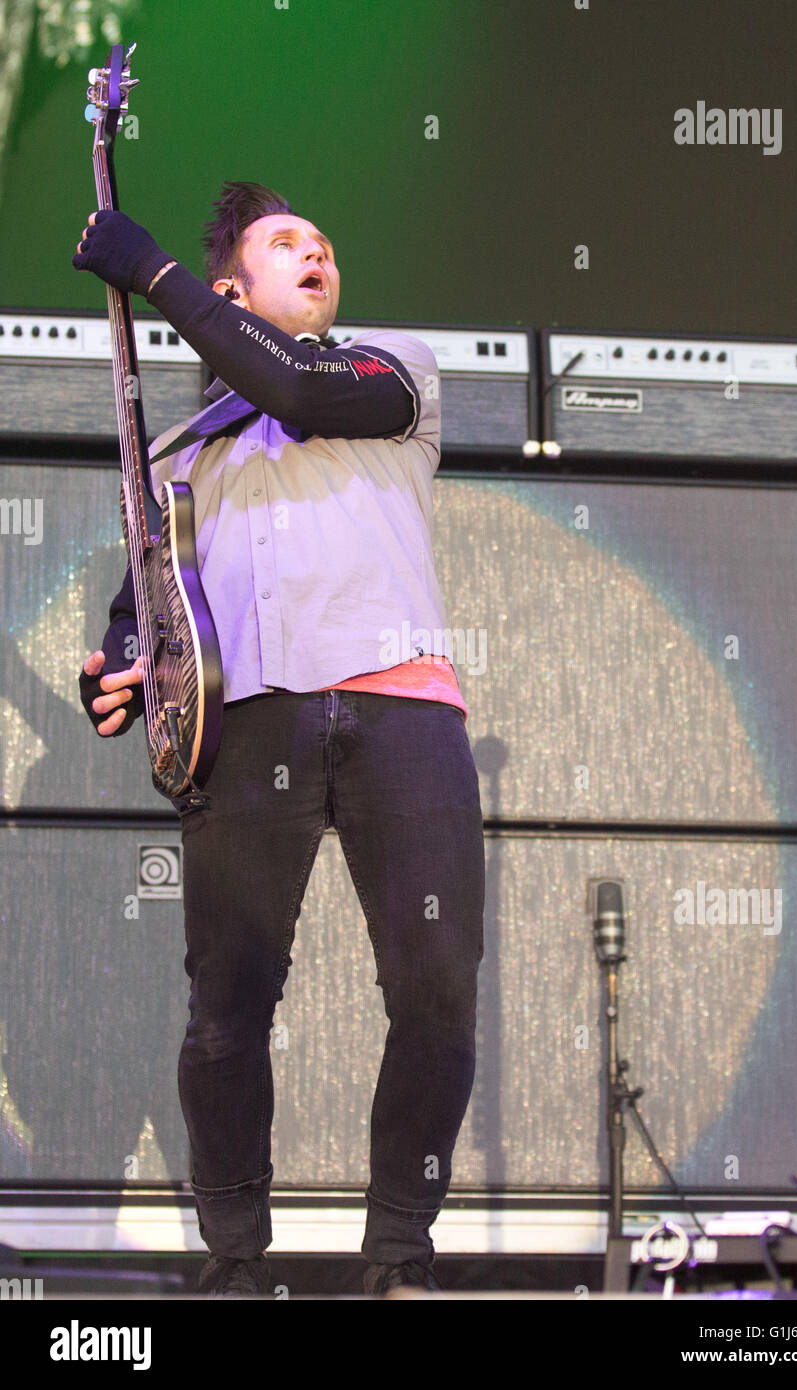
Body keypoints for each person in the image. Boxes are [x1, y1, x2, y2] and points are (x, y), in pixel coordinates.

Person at [73, 181, 486, 1298]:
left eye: (324, 243)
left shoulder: (388, 369)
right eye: (286, 243)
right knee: (226, 1010)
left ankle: (398, 1253)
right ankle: (235, 1260)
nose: (318, 253)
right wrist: (120, 670)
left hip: (404, 711)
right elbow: (144, 608)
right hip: (247, 727)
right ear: (233, 288)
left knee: (437, 987)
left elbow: (292, 385)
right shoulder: (179, 453)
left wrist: (148, 274)